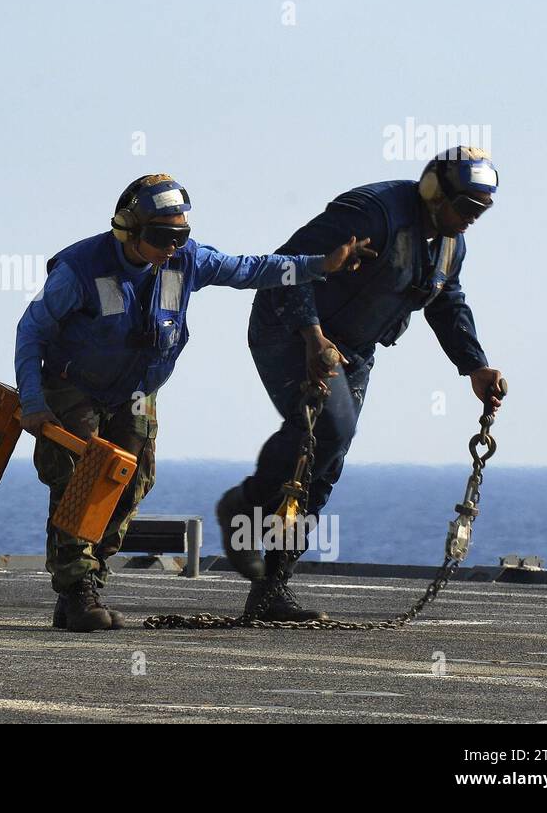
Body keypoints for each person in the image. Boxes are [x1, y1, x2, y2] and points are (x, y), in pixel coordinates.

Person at [16, 174, 374, 632]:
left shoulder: (188, 261)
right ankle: (76, 589)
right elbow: (31, 332)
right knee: (83, 482)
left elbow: (253, 270)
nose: (172, 246)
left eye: (179, 236)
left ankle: (90, 580)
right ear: (128, 228)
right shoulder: (79, 270)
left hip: (137, 393)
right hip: (74, 386)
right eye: (162, 236)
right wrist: (32, 400)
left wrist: (320, 265)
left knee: (130, 482)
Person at [216, 146, 504, 622]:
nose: (472, 218)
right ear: (435, 191)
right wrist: (313, 337)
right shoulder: (370, 212)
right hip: (289, 329)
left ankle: (271, 587)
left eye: (481, 210)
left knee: (326, 463)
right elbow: (290, 265)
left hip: (354, 349)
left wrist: (476, 366)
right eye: (467, 206)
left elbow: (446, 302)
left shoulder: (451, 244)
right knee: (328, 432)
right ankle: (243, 504)